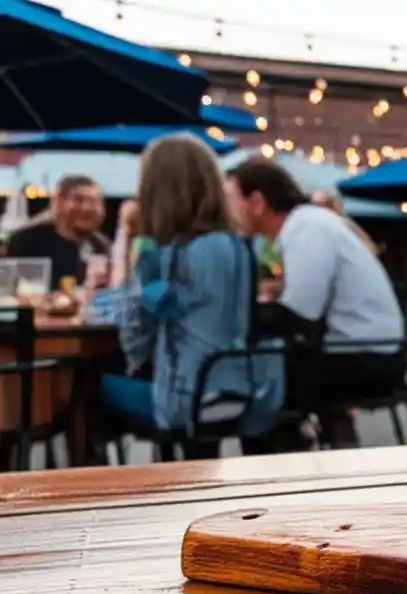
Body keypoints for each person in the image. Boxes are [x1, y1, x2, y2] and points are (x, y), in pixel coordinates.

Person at [100, 134, 283, 451]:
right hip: (237, 388)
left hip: (187, 398)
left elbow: (134, 331)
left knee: (88, 388)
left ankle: (90, 485)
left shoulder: (170, 254)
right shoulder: (241, 247)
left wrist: (127, 240)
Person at [226, 158, 405, 447]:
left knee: (260, 387)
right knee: (266, 376)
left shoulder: (307, 228)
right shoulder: (308, 224)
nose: (229, 211)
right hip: (370, 352)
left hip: (367, 359)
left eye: (232, 200)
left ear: (257, 201)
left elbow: (299, 314)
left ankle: (281, 477)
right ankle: (307, 460)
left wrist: (235, 316)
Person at [8, 175, 110, 289]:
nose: (86, 208)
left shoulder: (102, 246)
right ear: (58, 202)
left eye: (93, 201)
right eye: (78, 199)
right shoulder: (26, 241)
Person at [310, 189, 382, 256]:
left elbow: (371, 250)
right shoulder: (336, 221)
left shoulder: (341, 222)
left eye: (325, 204)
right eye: (318, 205)